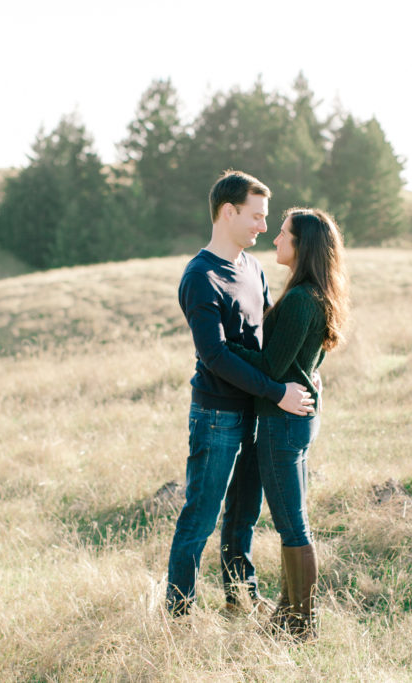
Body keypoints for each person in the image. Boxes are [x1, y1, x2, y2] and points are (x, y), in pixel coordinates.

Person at [165, 170, 315, 618]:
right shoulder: (200, 276)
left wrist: (303, 373)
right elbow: (214, 355)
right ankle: (179, 613)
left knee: (243, 513)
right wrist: (277, 391)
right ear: (228, 212)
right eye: (256, 216)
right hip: (218, 415)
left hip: (257, 411)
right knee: (201, 515)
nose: (264, 227)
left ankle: (240, 596)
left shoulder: (252, 268)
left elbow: (269, 337)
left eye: (266, 218)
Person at [226, 207, 349, 640]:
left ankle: (302, 624)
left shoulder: (300, 300)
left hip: (283, 424)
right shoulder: (313, 294)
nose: (275, 239)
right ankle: (289, 610)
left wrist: (223, 348)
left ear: (302, 245)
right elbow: (302, 361)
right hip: (294, 420)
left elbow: (273, 367)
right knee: (291, 521)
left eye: (283, 234)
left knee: (292, 525)